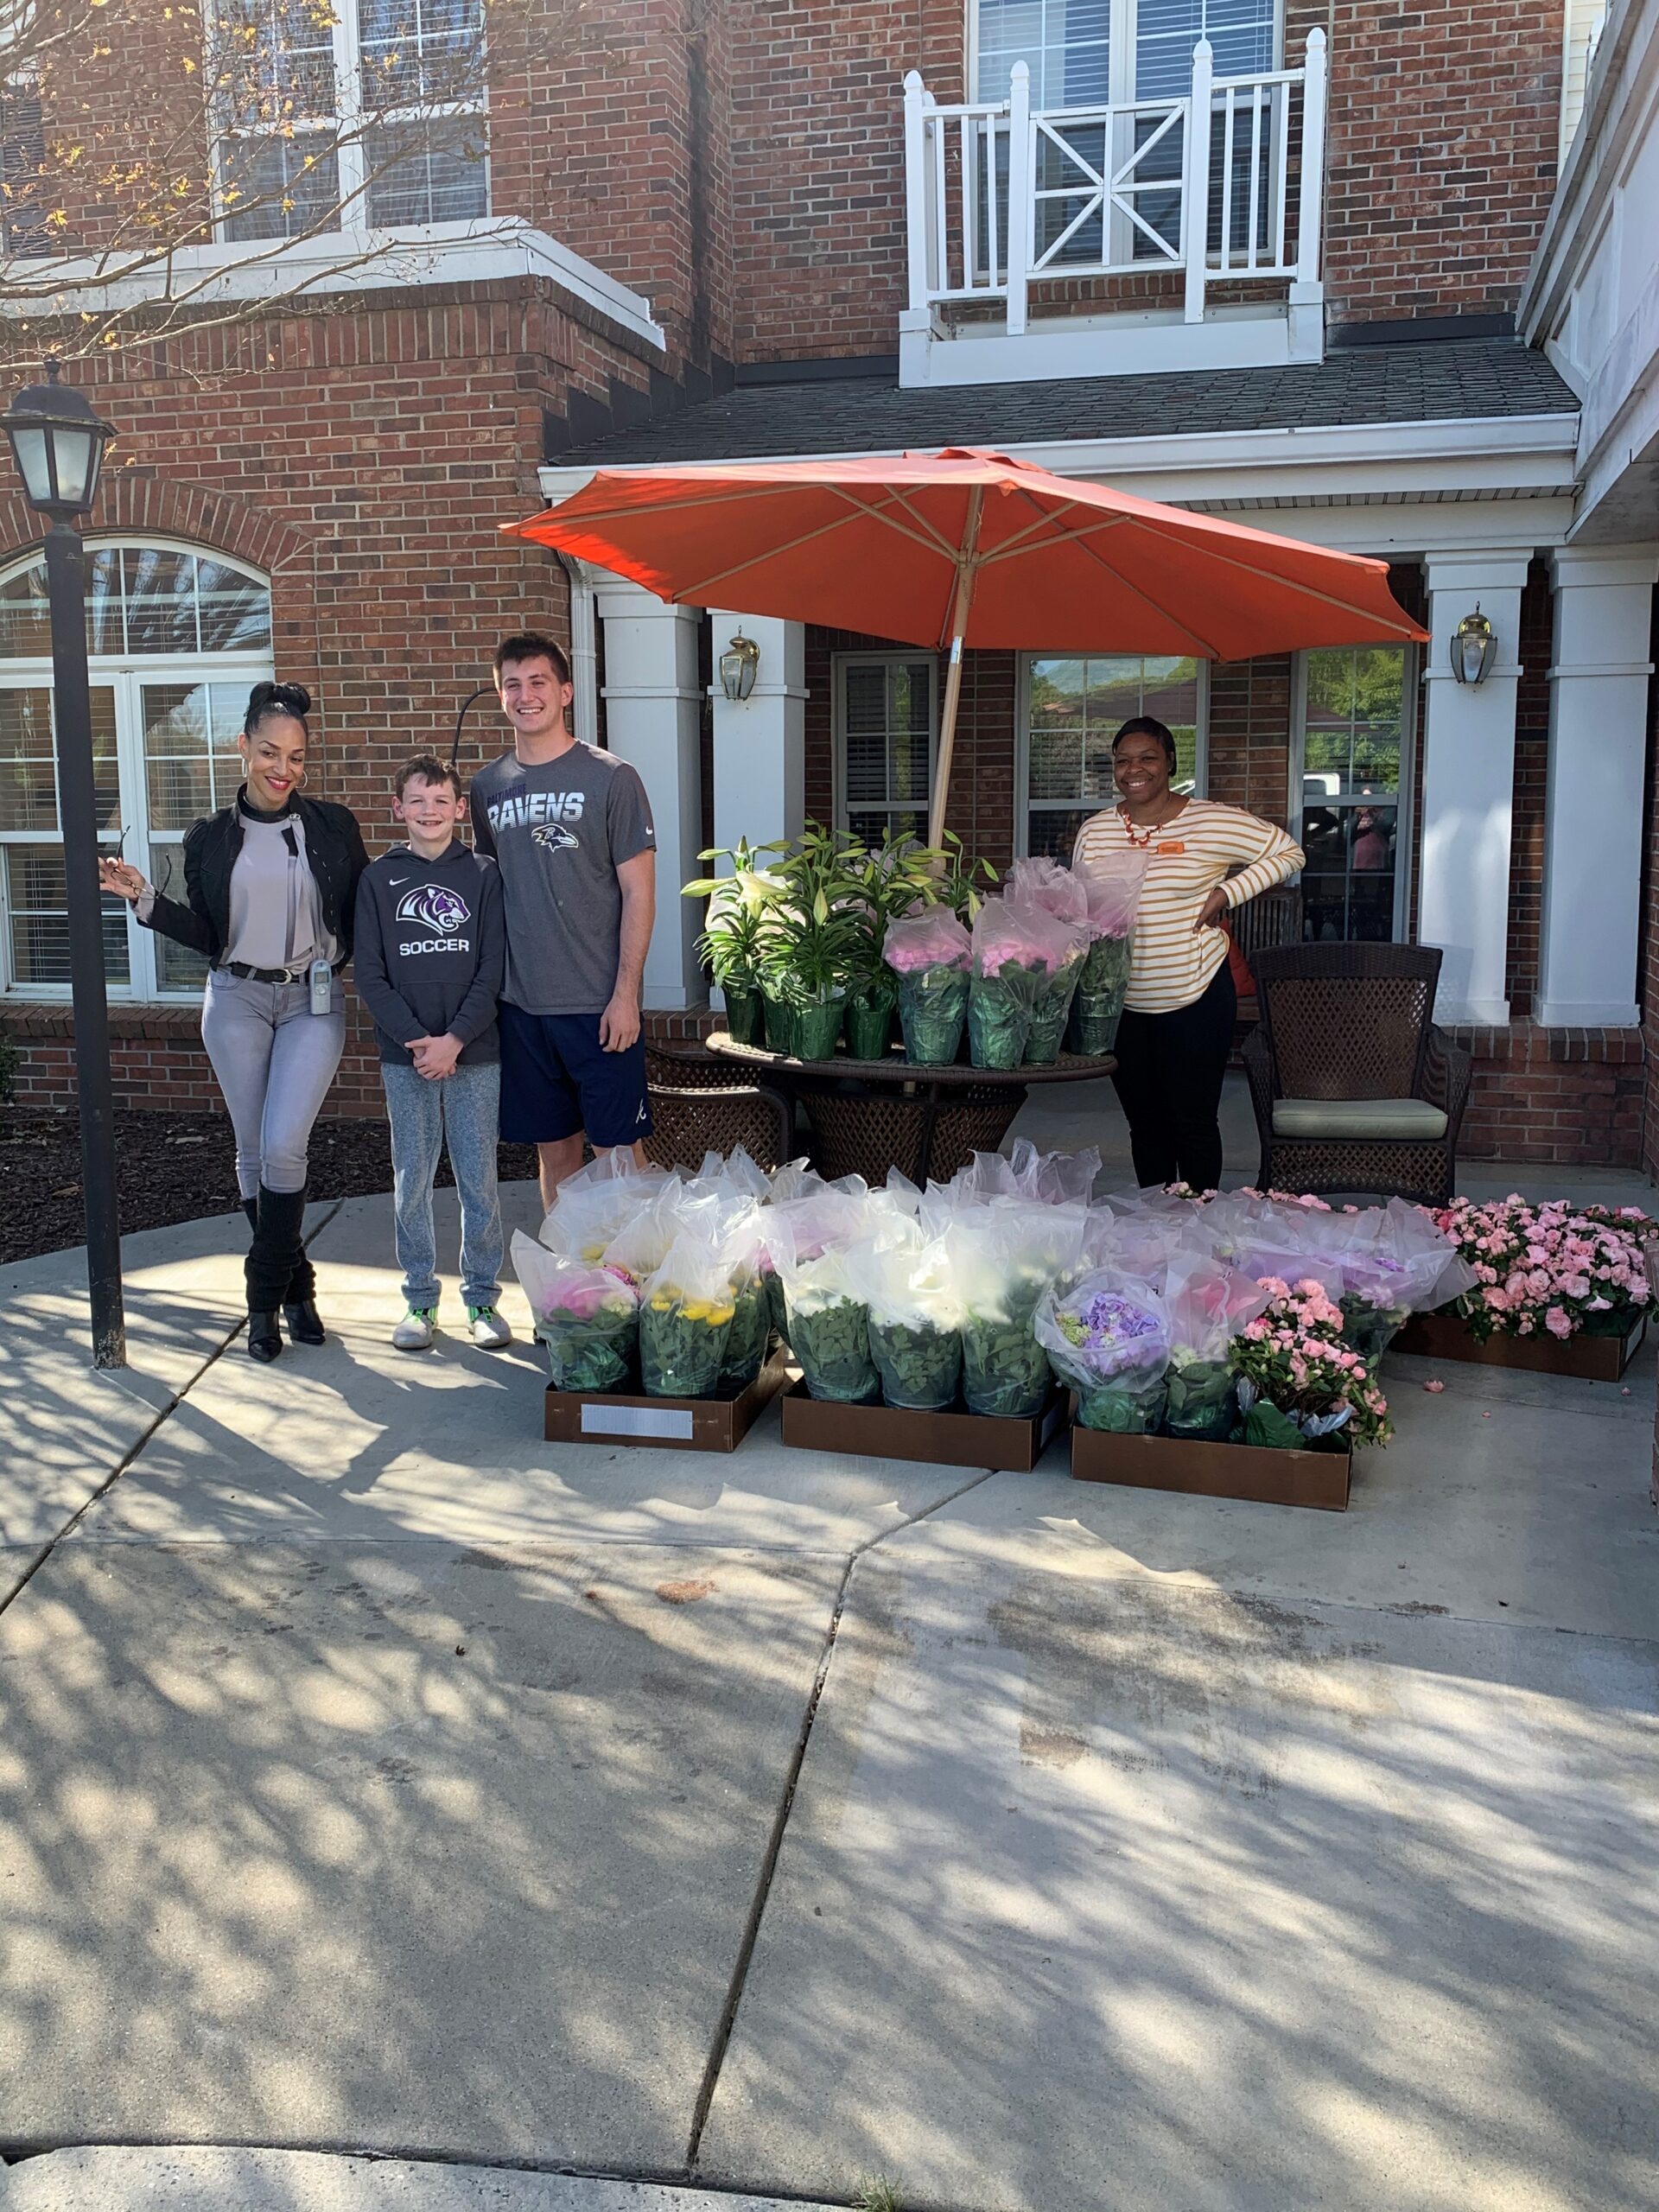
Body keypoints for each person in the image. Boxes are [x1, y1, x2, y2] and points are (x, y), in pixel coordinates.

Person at [98, 680, 368, 1361]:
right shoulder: (210, 838)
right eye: (271, 752)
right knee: (252, 1152)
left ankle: (259, 1300)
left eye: (298, 757)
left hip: (311, 999)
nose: (284, 768)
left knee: (283, 1145)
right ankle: (297, 1291)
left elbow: (366, 914)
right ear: (242, 747)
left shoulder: (332, 827)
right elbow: (210, 932)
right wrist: (147, 900)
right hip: (236, 998)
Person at [1073, 715, 1303, 1192]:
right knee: (1145, 1124)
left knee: (1194, 1121)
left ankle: (1201, 1227)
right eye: (1123, 761)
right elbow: (1081, 905)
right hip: (1121, 1002)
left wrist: (1227, 893)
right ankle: (1154, 1227)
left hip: (1194, 993)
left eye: (1147, 757)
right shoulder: (1095, 832)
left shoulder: (1211, 820)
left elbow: (1288, 852)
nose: (1134, 769)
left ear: (1171, 762)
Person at [468, 632, 657, 1211]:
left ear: (566, 692)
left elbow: (639, 892)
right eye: (513, 685)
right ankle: (572, 1289)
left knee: (619, 1153)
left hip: (600, 1005)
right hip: (522, 1007)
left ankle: (644, 1282)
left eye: (539, 682)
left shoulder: (612, 778)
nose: (526, 696)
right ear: (501, 695)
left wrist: (626, 994)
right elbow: (490, 891)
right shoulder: (487, 787)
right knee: (556, 1155)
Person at [353, 755, 511, 1353]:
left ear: (460, 809)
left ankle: (481, 1300)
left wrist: (455, 1040)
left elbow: (492, 968)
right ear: (398, 809)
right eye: (417, 801)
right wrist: (420, 1042)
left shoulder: (482, 874)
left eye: (441, 800)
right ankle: (419, 1300)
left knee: (479, 1179)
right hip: (407, 1057)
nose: (429, 811)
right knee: (412, 1179)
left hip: (475, 1054)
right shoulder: (377, 879)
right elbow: (369, 974)